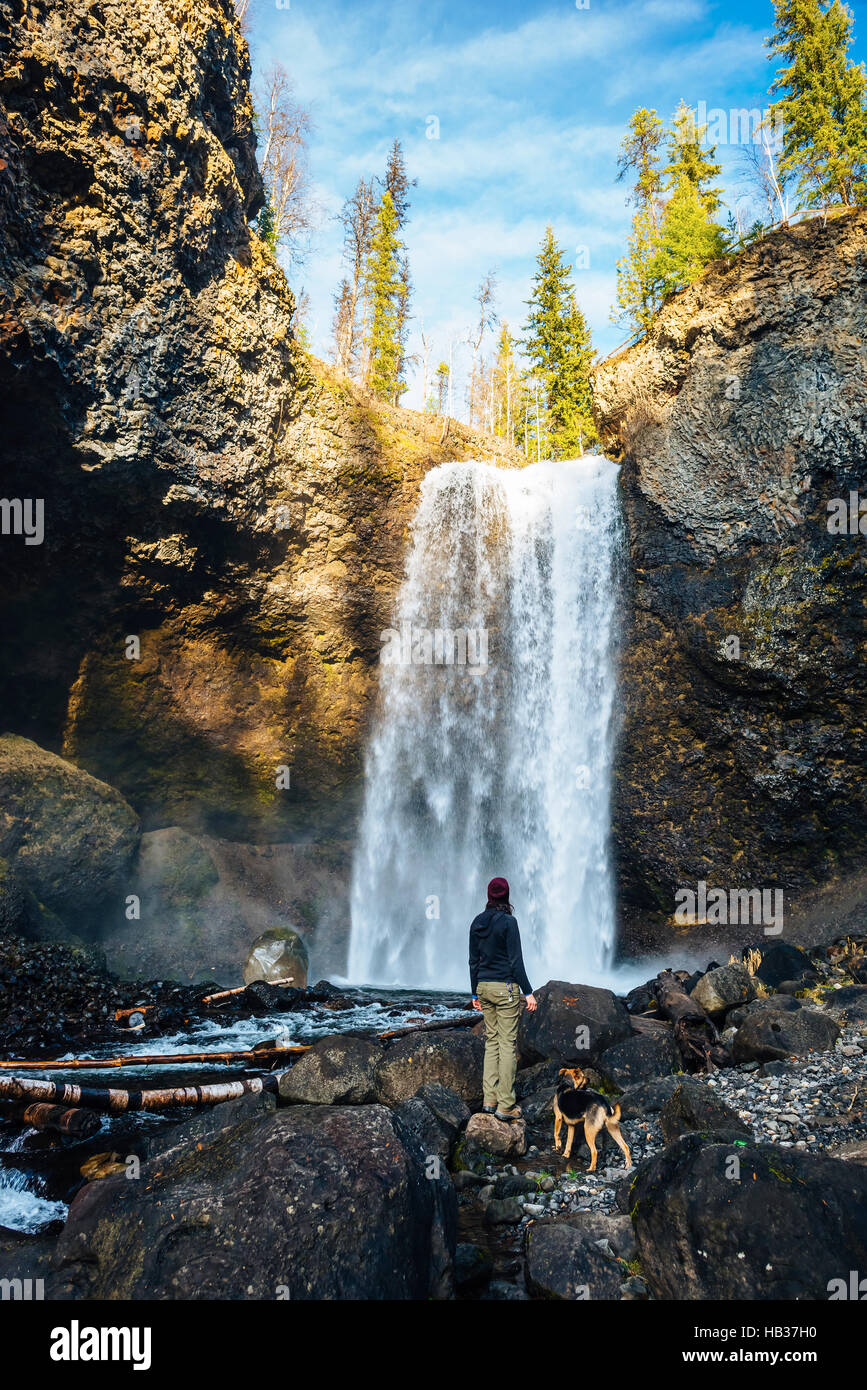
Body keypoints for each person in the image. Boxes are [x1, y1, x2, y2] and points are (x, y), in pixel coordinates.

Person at [469, 876, 537, 1121]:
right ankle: (506, 1105)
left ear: (488, 896)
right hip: (505, 988)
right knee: (507, 1044)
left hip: (484, 988)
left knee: (492, 1042)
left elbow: (473, 961)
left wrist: (474, 992)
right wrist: (528, 992)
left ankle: (489, 1100)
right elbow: (515, 962)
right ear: (506, 896)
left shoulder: (477, 922)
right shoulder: (509, 922)